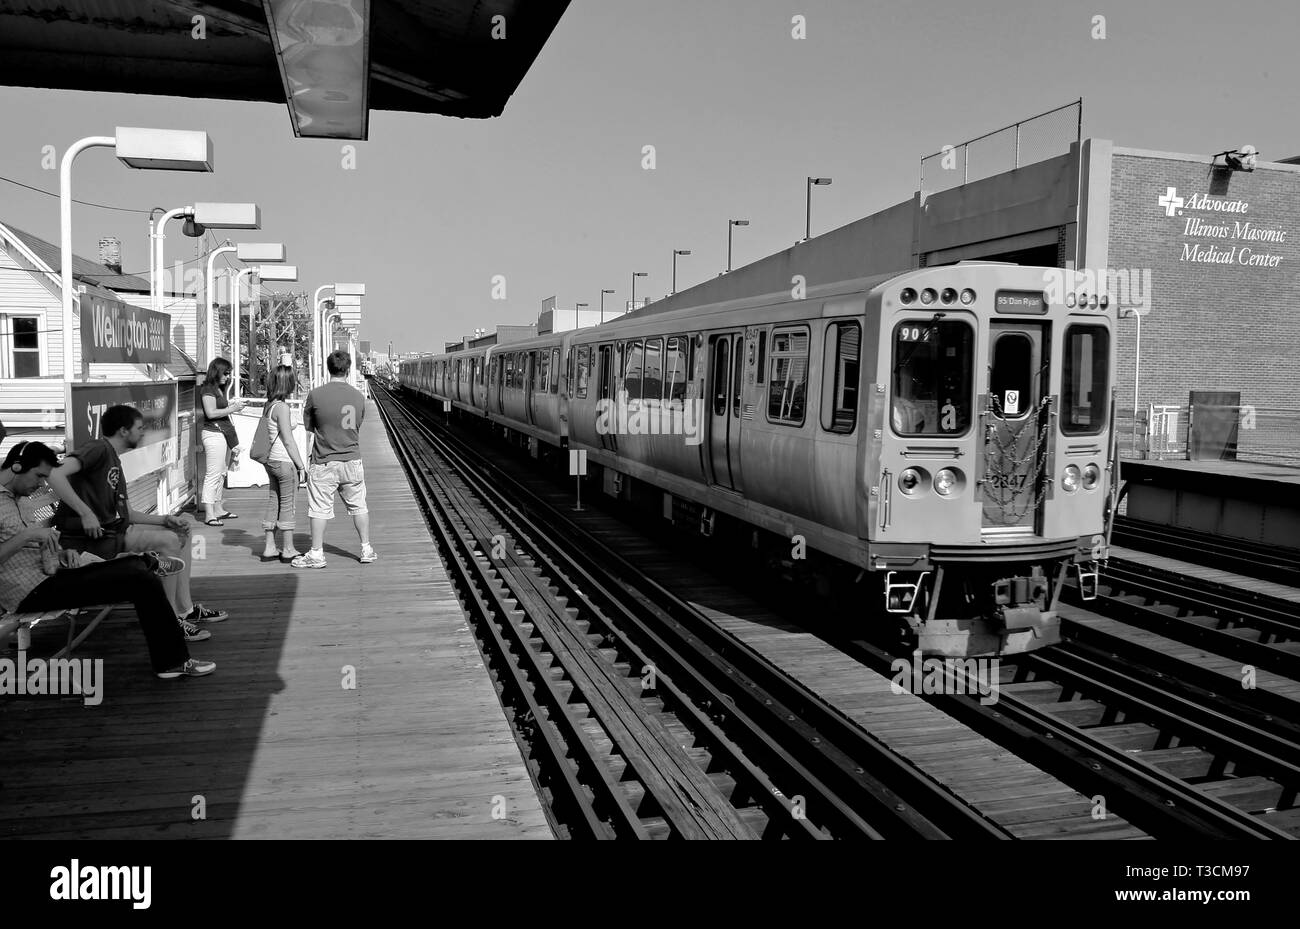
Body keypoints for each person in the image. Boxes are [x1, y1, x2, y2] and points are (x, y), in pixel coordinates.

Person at [0, 442, 214, 679]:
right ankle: (171, 659)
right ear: (17, 467)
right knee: (138, 576)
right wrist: (28, 535)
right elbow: (21, 542)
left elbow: (28, 548)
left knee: (140, 576)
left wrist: (61, 554)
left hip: (52, 574)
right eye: (39, 477)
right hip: (31, 592)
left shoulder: (15, 498)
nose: (40, 485)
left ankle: (149, 566)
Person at [49, 404, 228, 640]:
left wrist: (166, 519)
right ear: (124, 431)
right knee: (168, 542)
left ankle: (186, 610)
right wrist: (85, 513)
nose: (142, 433)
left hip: (114, 532)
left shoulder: (114, 459)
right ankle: (170, 621)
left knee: (182, 528)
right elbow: (54, 473)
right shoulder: (98, 449)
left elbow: (128, 514)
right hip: (93, 542)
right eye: (139, 428)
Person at [292, 351, 377, 568]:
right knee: (359, 506)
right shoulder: (358, 397)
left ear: (328, 368)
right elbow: (358, 424)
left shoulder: (316, 394)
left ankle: (317, 553)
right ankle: (366, 549)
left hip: (324, 460)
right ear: (348, 370)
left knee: (319, 508)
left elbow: (309, 426)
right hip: (352, 459)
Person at [260, 365, 308, 562]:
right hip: (284, 462)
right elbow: (288, 440)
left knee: (274, 502)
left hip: (270, 461)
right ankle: (288, 549)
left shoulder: (269, 405)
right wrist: (301, 465)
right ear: (286, 383)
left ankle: (269, 547)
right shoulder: (282, 408)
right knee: (288, 505)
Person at [198, 357, 246, 526]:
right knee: (213, 474)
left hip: (221, 434)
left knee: (221, 473)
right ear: (216, 372)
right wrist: (232, 408)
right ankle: (209, 513)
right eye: (225, 373)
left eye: (229, 373)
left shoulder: (218, 388)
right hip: (213, 433)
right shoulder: (208, 389)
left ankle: (217, 508)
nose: (227, 376)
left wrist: (230, 405)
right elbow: (210, 413)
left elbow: (218, 409)